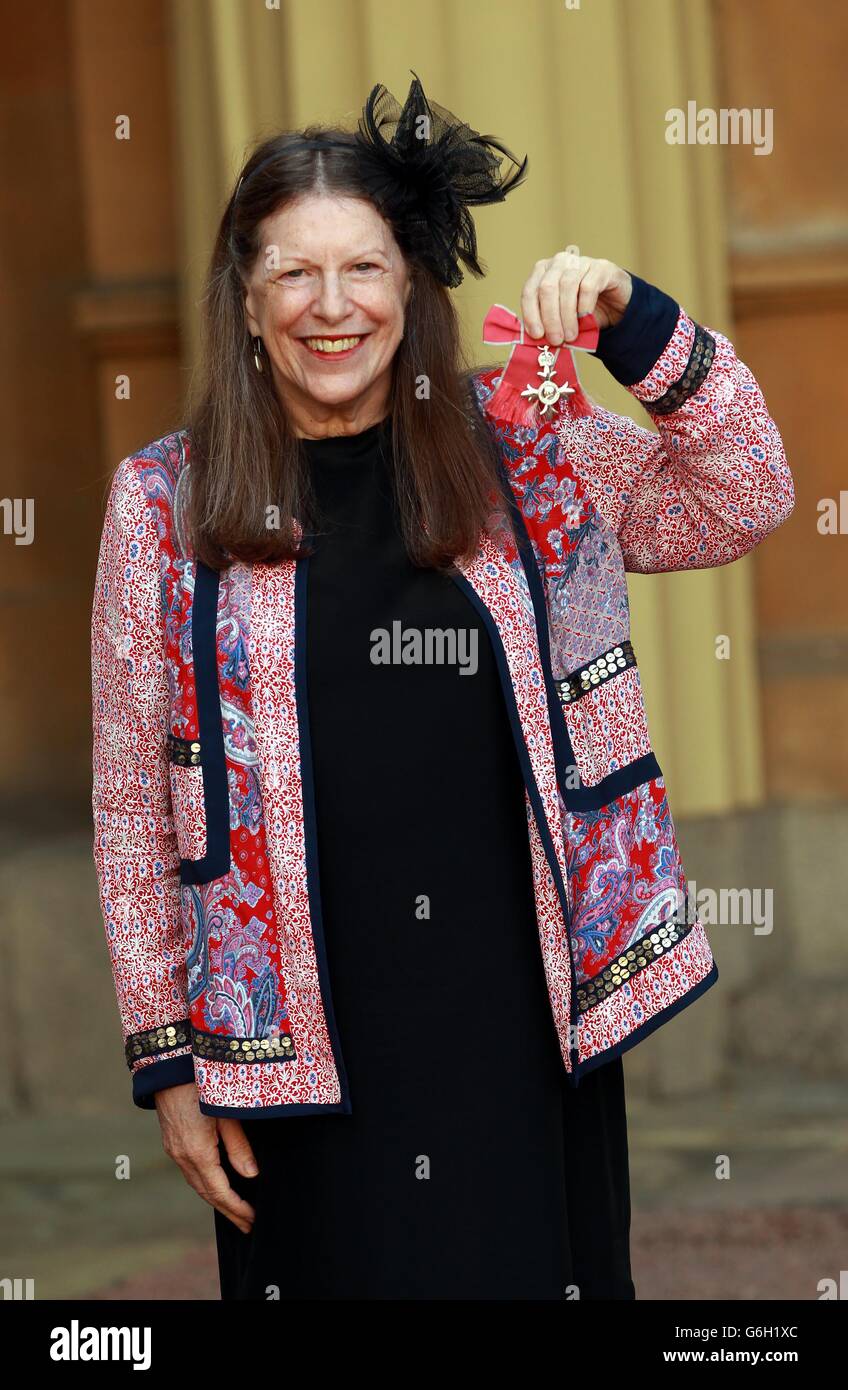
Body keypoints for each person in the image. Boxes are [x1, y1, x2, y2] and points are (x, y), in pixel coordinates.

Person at [90, 73, 794, 1301]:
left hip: (520, 1023)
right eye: (292, 275)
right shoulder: (163, 503)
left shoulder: (523, 448)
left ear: (410, 287)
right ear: (245, 303)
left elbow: (742, 496)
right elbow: (127, 796)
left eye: (363, 269)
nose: (331, 307)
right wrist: (167, 1060)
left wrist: (635, 323)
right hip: (297, 1053)